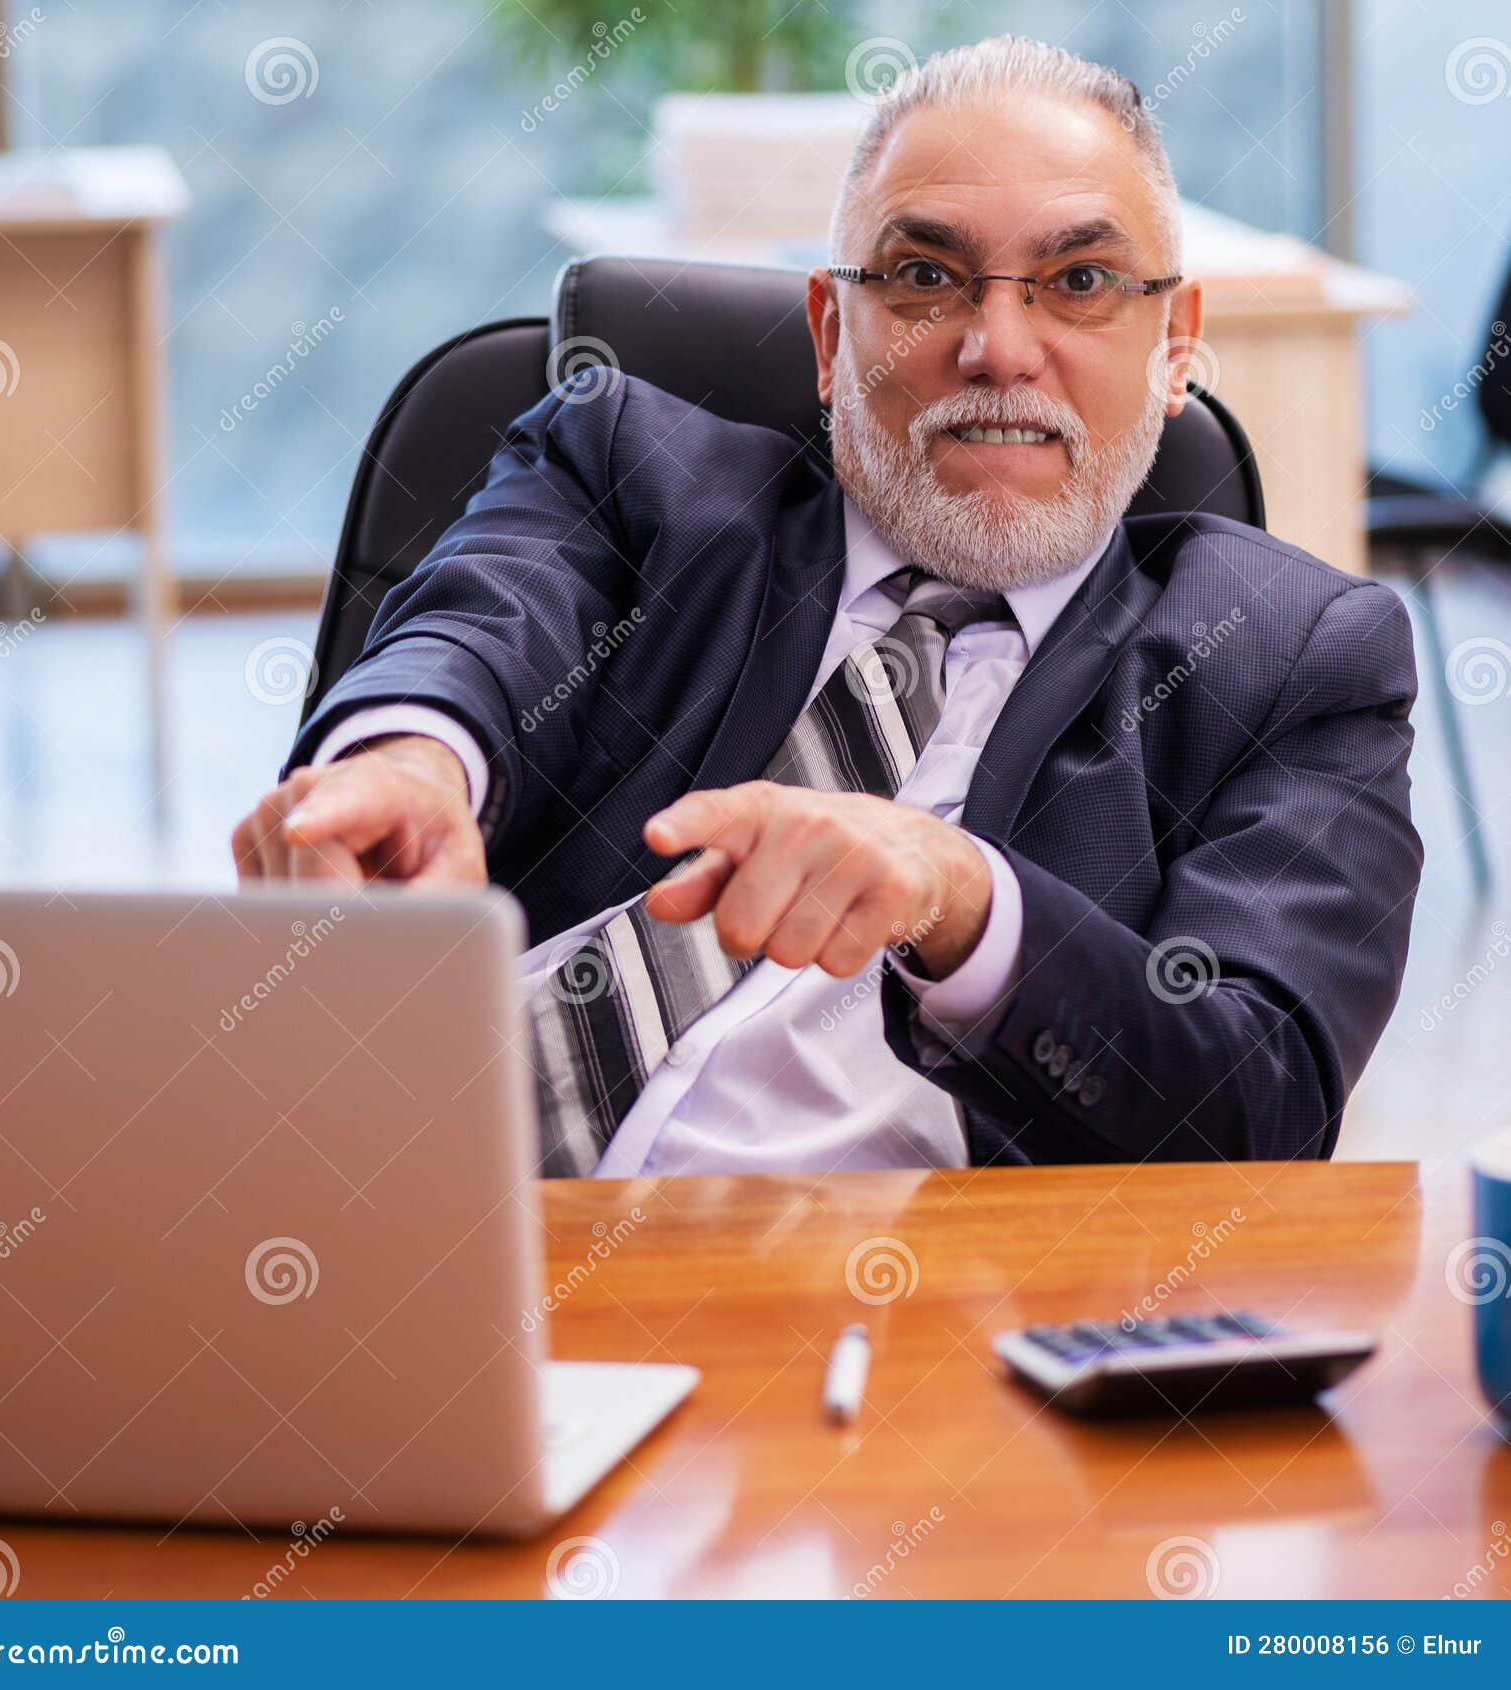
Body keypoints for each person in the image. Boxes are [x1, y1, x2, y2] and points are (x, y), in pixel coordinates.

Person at [231, 35, 1421, 1177]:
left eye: (1079, 282)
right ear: (825, 331)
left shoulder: (1290, 659)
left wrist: (960, 897)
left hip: (923, 1329)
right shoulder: (631, 474)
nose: (998, 349)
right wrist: (410, 760)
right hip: (454, 1243)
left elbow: (1253, 1105)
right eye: (921, 277)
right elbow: (479, 628)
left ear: (1175, 349)